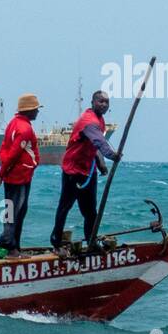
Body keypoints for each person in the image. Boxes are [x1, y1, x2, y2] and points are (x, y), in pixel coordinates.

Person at [51, 90, 120, 251]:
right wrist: (111, 155)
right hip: (73, 171)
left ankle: (91, 241)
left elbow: (93, 145)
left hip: (88, 171)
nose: (104, 104)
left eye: (106, 102)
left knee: (90, 211)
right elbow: (99, 141)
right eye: (100, 101)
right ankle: (56, 242)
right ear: (92, 102)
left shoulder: (100, 120)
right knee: (65, 207)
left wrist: (101, 162)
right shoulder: (88, 121)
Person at [0, 93, 41, 253]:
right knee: (15, 212)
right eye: (35, 109)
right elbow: (13, 154)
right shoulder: (25, 129)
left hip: (16, 175)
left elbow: (4, 149)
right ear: (29, 111)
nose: (37, 112)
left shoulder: (13, 123)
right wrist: (1, 173)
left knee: (13, 211)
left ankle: (15, 245)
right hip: (19, 176)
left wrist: (2, 173)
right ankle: (9, 245)